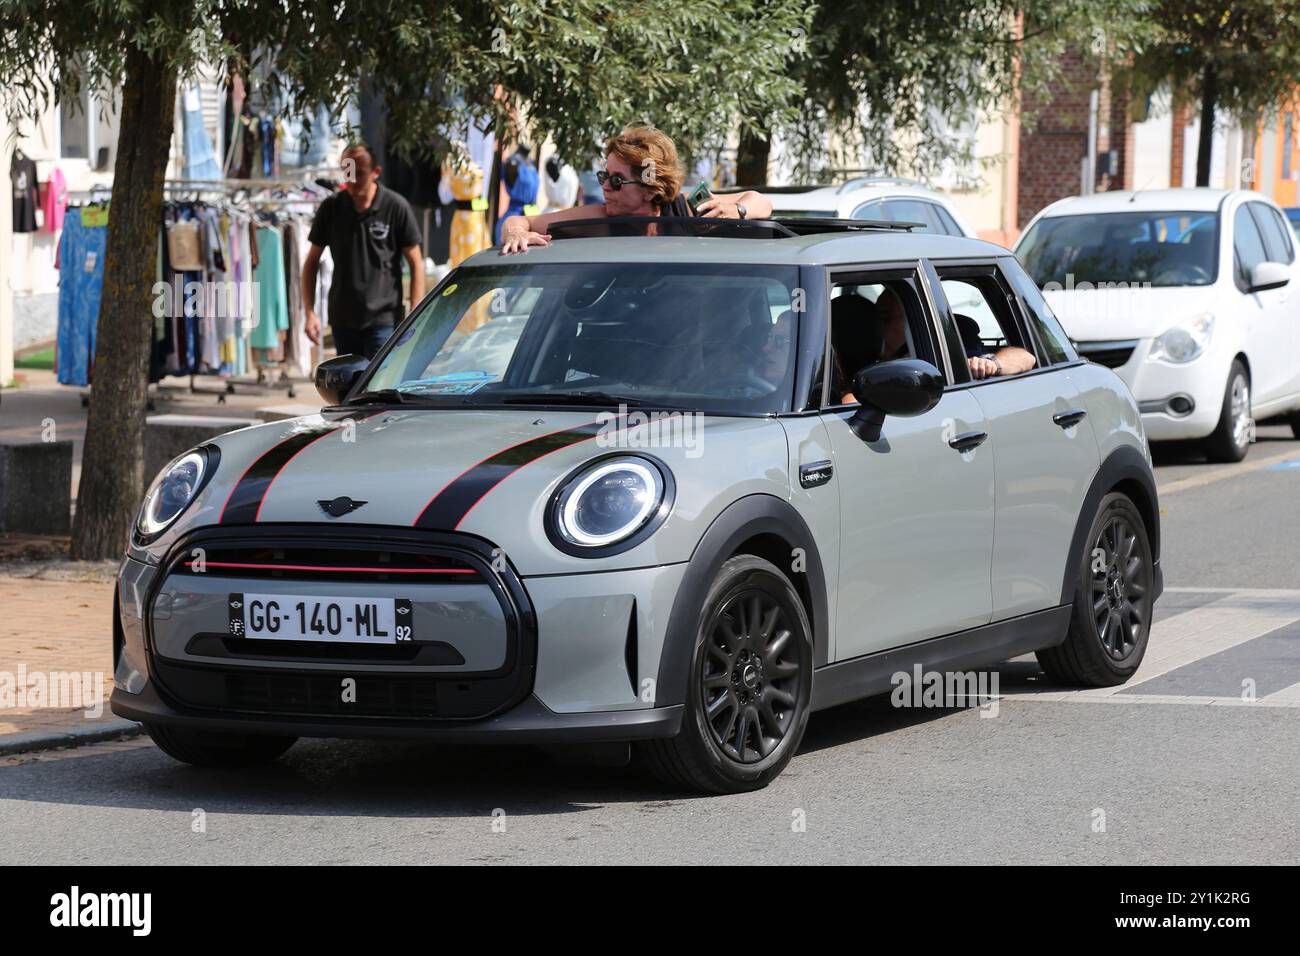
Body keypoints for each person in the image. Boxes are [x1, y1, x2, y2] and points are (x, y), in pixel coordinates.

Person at [499, 125, 773, 254]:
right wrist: (516, 234)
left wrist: (737, 209)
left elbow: (762, 202)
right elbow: (520, 221)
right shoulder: (599, 218)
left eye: (617, 181)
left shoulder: (686, 206)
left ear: (650, 189)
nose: (605, 186)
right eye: (604, 175)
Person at [302, 143, 425, 360]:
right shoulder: (331, 208)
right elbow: (311, 262)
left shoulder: (395, 207)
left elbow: (416, 262)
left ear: (376, 172)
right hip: (343, 319)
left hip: (384, 321)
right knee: (348, 389)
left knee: (377, 389)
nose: (351, 178)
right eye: (346, 171)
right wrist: (309, 313)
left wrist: (416, 309)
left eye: (358, 173)